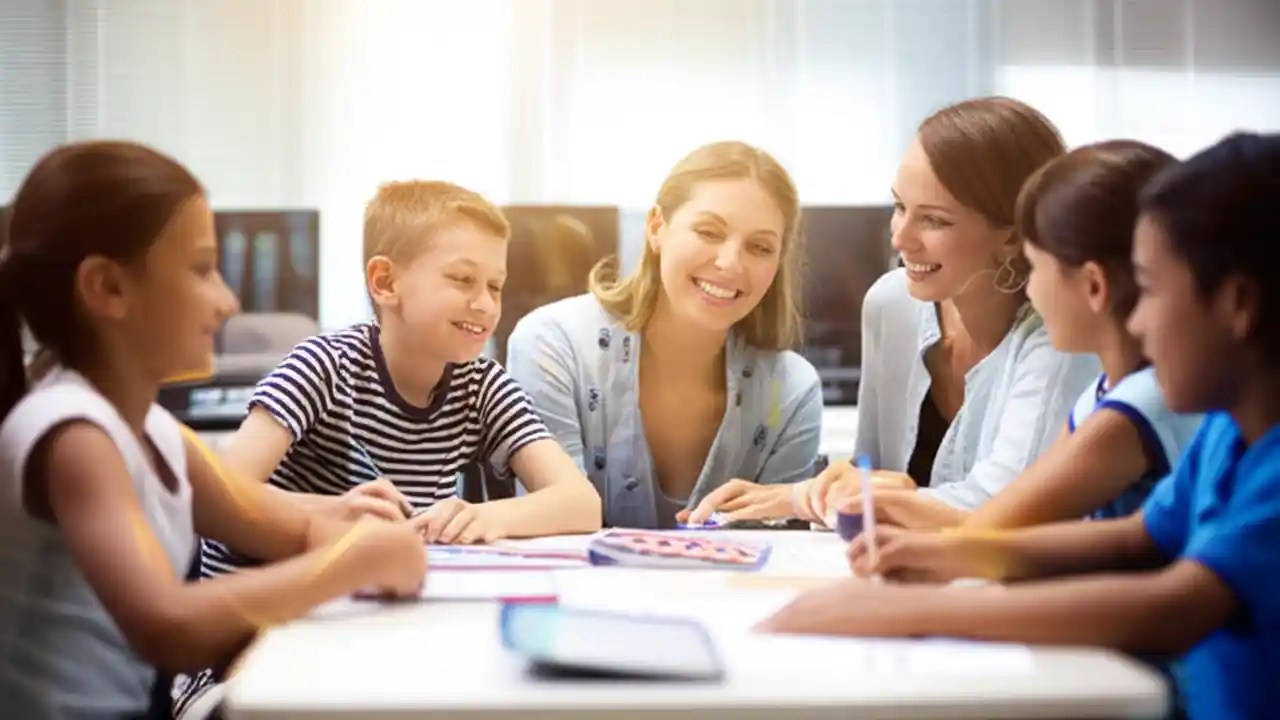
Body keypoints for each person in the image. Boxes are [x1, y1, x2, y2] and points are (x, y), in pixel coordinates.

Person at [760, 132, 1280, 720]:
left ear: (1238, 306)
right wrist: (952, 557)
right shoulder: (1224, 436)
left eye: (1154, 291)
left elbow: (1172, 605)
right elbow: (1136, 537)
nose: (1137, 316)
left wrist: (902, 612)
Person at [0, 141, 426, 719]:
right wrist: (353, 562)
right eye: (202, 269)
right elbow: (168, 626)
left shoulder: (153, 431)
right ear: (108, 288)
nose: (227, 302)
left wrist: (356, 523)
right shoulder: (74, 435)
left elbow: (292, 526)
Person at [179, 180, 602, 715]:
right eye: (462, 279)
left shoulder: (480, 383)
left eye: (495, 285)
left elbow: (580, 502)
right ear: (385, 282)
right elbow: (225, 494)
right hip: (249, 654)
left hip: (361, 634)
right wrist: (332, 516)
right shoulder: (323, 365)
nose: (485, 303)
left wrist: (482, 515)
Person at [687, 97, 1099, 529]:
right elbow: (869, 477)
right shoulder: (892, 305)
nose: (901, 238)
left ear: (1013, 237)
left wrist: (805, 498)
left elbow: (1001, 507)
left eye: (935, 220)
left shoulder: (1060, 337)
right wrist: (821, 493)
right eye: (900, 207)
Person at [506, 141, 822, 529]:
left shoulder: (791, 390)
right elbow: (551, 527)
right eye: (709, 231)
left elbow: (780, 558)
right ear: (657, 228)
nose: (730, 263)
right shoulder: (554, 345)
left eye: (759, 247)